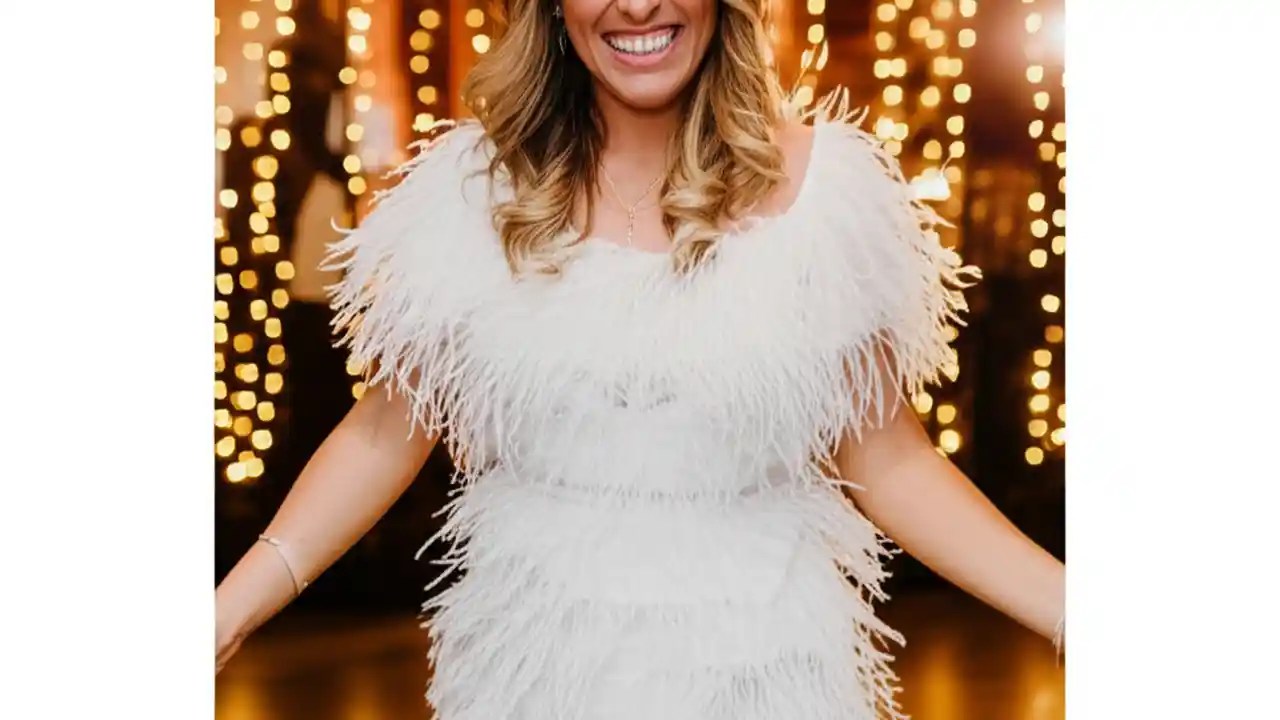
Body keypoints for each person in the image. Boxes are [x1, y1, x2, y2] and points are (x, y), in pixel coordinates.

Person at [215, 1, 1066, 717]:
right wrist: (224, 614)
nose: (637, 6)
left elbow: (889, 455)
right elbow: (385, 431)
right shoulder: (472, 194)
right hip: (535, 675)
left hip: (766, 672)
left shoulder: (825, 195)